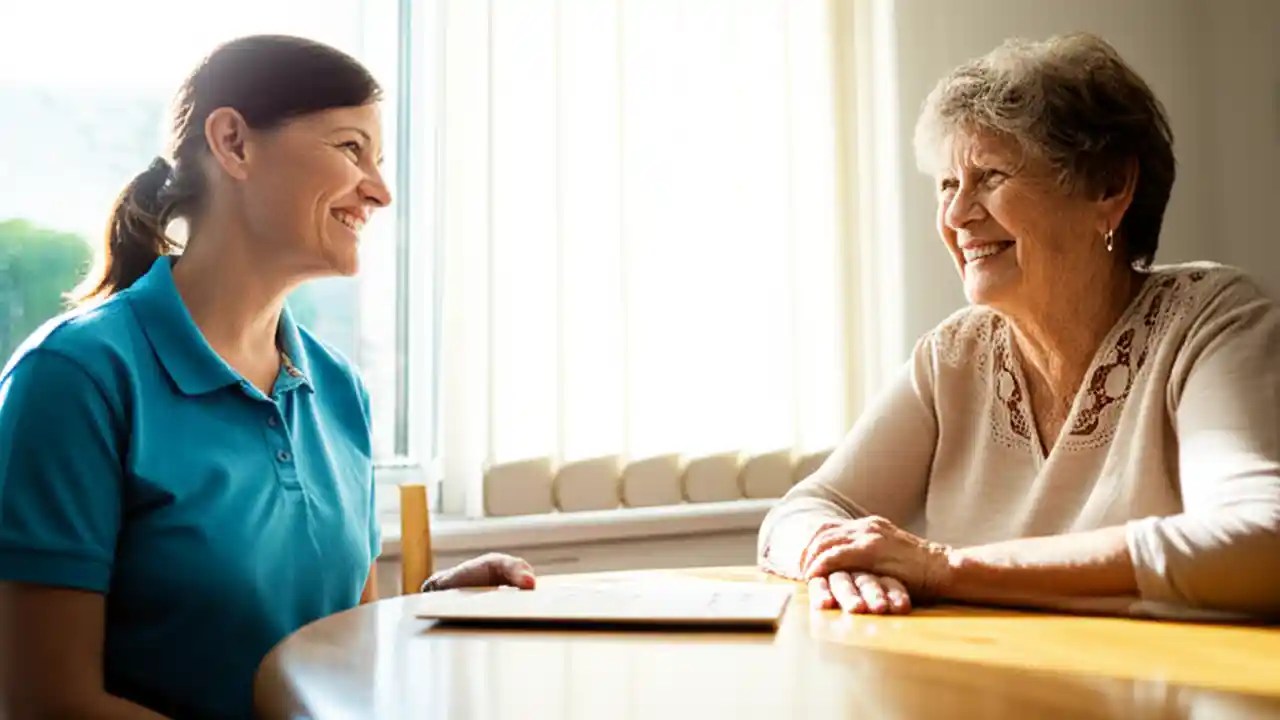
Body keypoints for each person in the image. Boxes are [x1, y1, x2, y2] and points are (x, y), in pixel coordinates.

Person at [0, 36, 534, 720]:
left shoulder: (337, 388)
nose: (380, 190)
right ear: (234, 143)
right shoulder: (74, 378)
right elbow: (46, 702)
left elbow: (332, 652)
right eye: (351, 149)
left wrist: (431, 613)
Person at [758, 33, 1280, 619]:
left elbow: (1262, 539)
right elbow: (800, 512)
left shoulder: (1213, 323)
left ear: (1109, 187)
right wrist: (841, 558)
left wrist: (944, 568)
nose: (957, 215)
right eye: (948, 185)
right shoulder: (954, 356)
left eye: (990, 176)